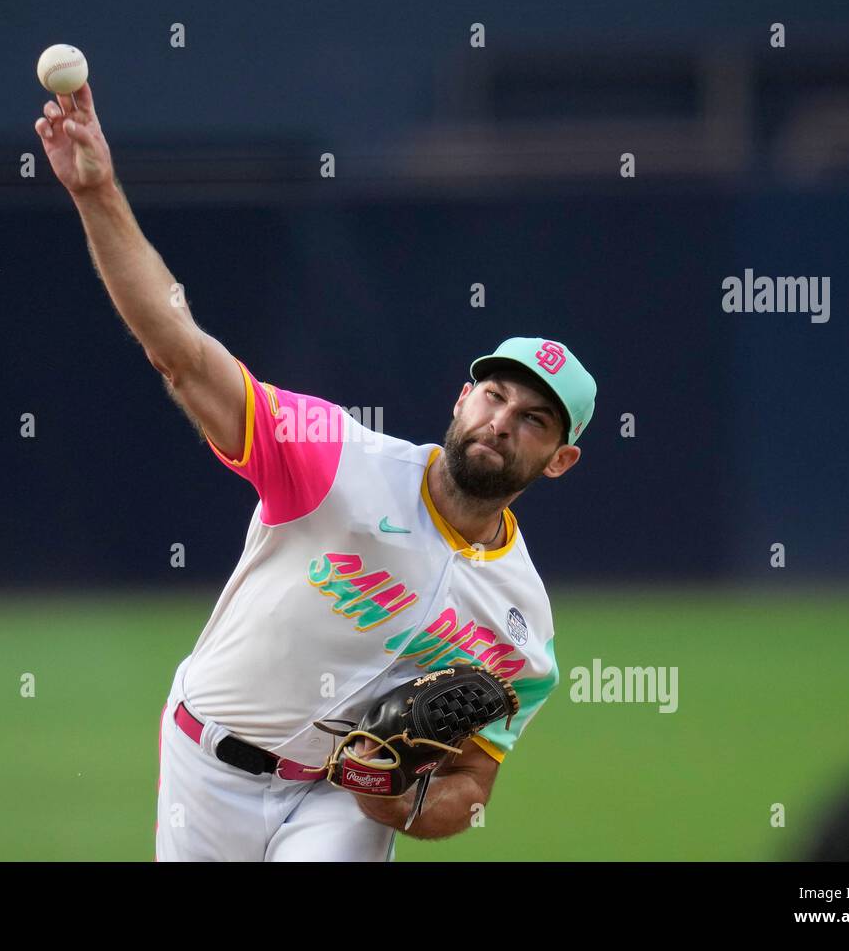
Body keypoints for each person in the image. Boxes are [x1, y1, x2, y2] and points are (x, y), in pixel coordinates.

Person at [35, 83, 598, 861]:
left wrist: (398, 794)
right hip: (207, 764)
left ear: (560, 459)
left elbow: (470, 790)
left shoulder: (521, 628)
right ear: (463, 396)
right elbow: (181, 350)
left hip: (342, 803)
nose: (501, 421)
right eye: (494, 395)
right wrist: (96, 190)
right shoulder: (334, 458)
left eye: (533, 419)